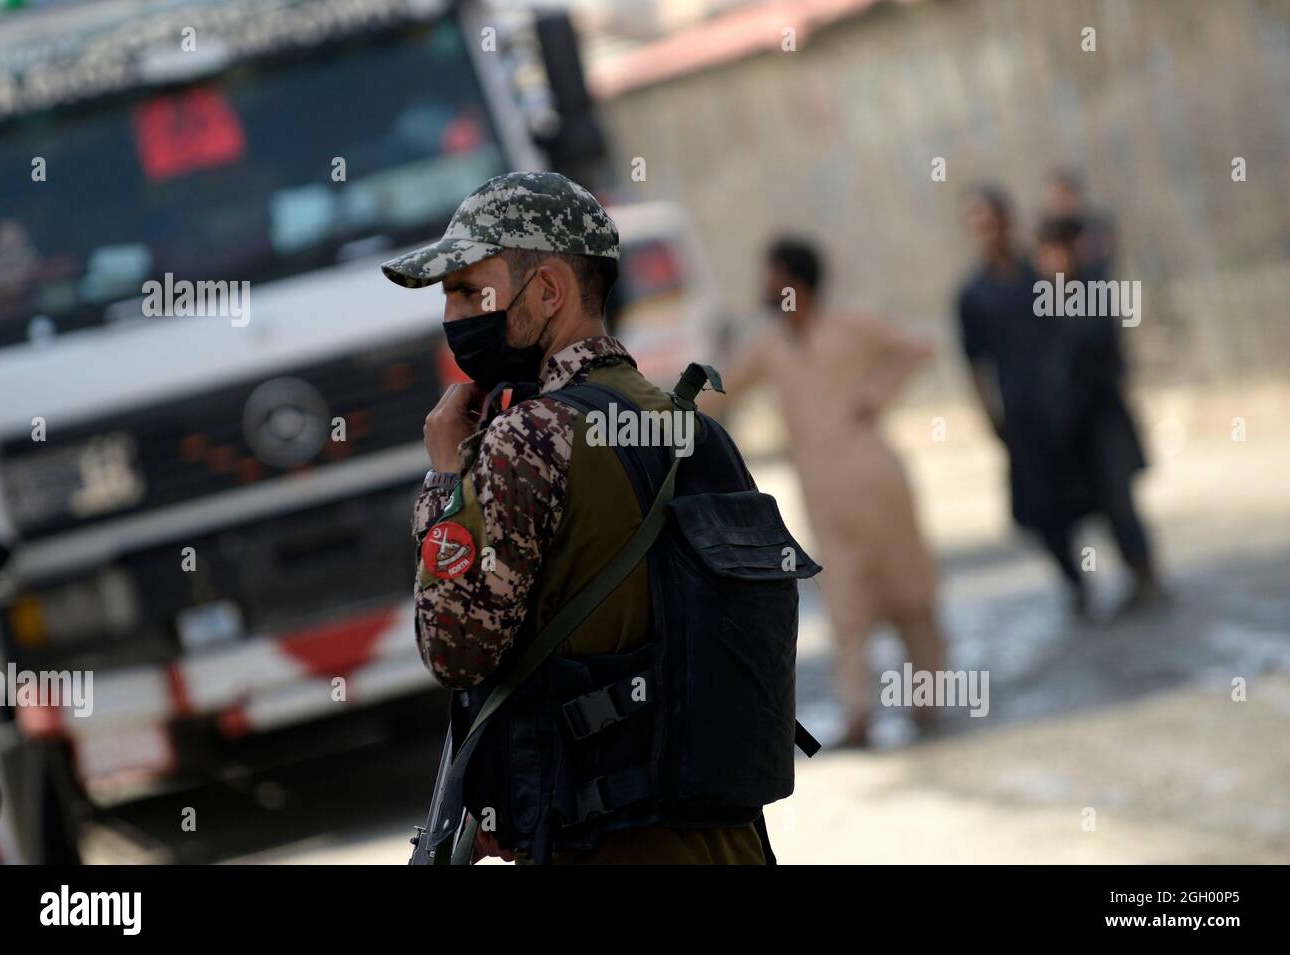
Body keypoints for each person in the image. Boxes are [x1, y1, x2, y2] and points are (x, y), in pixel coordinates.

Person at [383, 172, 816, 864]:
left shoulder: (526, 438)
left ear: (548, 291)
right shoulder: (688, 424)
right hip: (731, 840)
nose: (455, 313)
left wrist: (444, 477)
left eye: (469, 290)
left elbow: (453, 645)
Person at [704, 238, 944, 748]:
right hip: (825, 497)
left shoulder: (851, 324)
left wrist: (877, 394)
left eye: (772, 276)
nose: (766, 288)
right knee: (846, 607)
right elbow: (718, 395)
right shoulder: (769, 344)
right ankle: (858, 715)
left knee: (910, 594)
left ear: (795, 280)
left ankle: (930, 702)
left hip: (878, 481)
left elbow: (920, 346)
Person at [956, 188, 1163, 616]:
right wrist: (992, 420)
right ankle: (1076, 584)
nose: (988, 232)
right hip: (1026, 416)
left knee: (1111, 492)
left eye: (993, 222)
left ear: (1009, 221)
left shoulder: (1044, 270)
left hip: (1081, 409)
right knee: (1045, 508)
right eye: (978, 225)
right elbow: (975, 365)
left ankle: (1142, 574)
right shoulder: (972, 296)